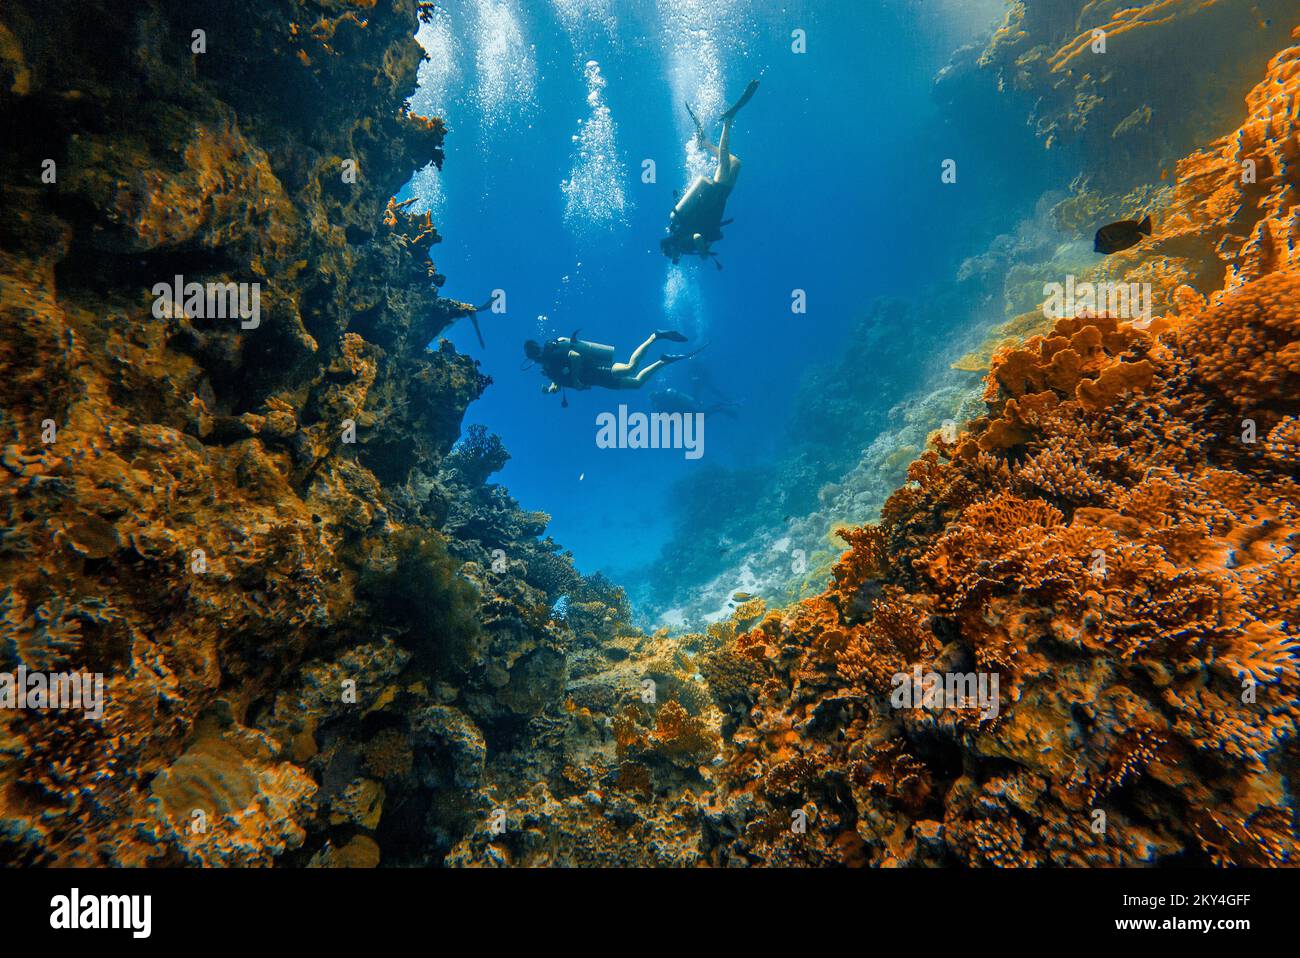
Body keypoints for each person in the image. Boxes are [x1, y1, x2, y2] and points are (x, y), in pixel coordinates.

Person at [661, 80, 759, 267]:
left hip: (715, 197)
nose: (673, 256)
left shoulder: (683, 244)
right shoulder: (681, 241)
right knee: (735, 163)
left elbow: (697, 236)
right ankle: (705, 144)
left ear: (670, 248)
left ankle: (728, 122)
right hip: (719, 200)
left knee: (724, 159)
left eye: (669, 254)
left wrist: (704, 252)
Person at [523, 329, 701, 405]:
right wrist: (549, 390)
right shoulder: (547, 368)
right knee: (637, 383)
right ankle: (665, 361)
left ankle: (655, 336)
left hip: (594, 369)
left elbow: (575, 356)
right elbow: (558, 382)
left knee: (630, 368)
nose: (536, 360)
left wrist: (576, 379)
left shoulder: (552, 354)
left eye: (535, 356)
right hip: (596, 380)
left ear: (535, 354)